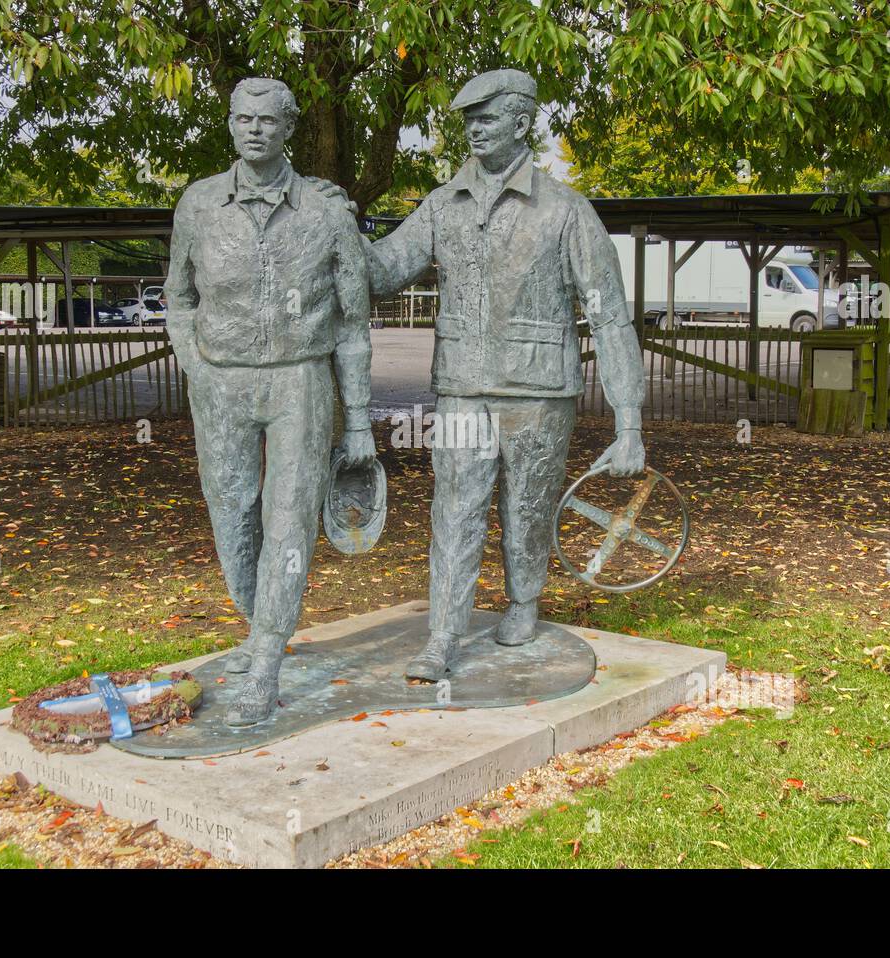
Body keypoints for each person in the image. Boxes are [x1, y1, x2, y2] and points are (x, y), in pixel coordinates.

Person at [359, 69, 646, 681]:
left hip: (540, 390)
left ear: (522, 124)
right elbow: (383, 272)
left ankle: (524, 600)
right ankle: (442, 634)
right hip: (462, 387)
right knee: (454, 507)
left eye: (486, 119)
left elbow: (610, 316)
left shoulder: (566, 210)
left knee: (529, 505)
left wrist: (629, 422)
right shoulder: (443, 204)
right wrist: (339, 230)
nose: (474, 131)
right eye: (467, 122)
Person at [165, 77, 376, 724]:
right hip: (220, 381)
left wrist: (360, 420)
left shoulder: (325, 212)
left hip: (299, 382)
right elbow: (178, 299)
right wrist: (193, 367)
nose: (253, 129)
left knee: (288, 517)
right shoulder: (198, 205)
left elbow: (353, 323)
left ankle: (264, 662)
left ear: (289, 129)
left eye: (267, 120)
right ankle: (261, 628)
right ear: (230, 124)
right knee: (230, 513)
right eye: (242, 118)